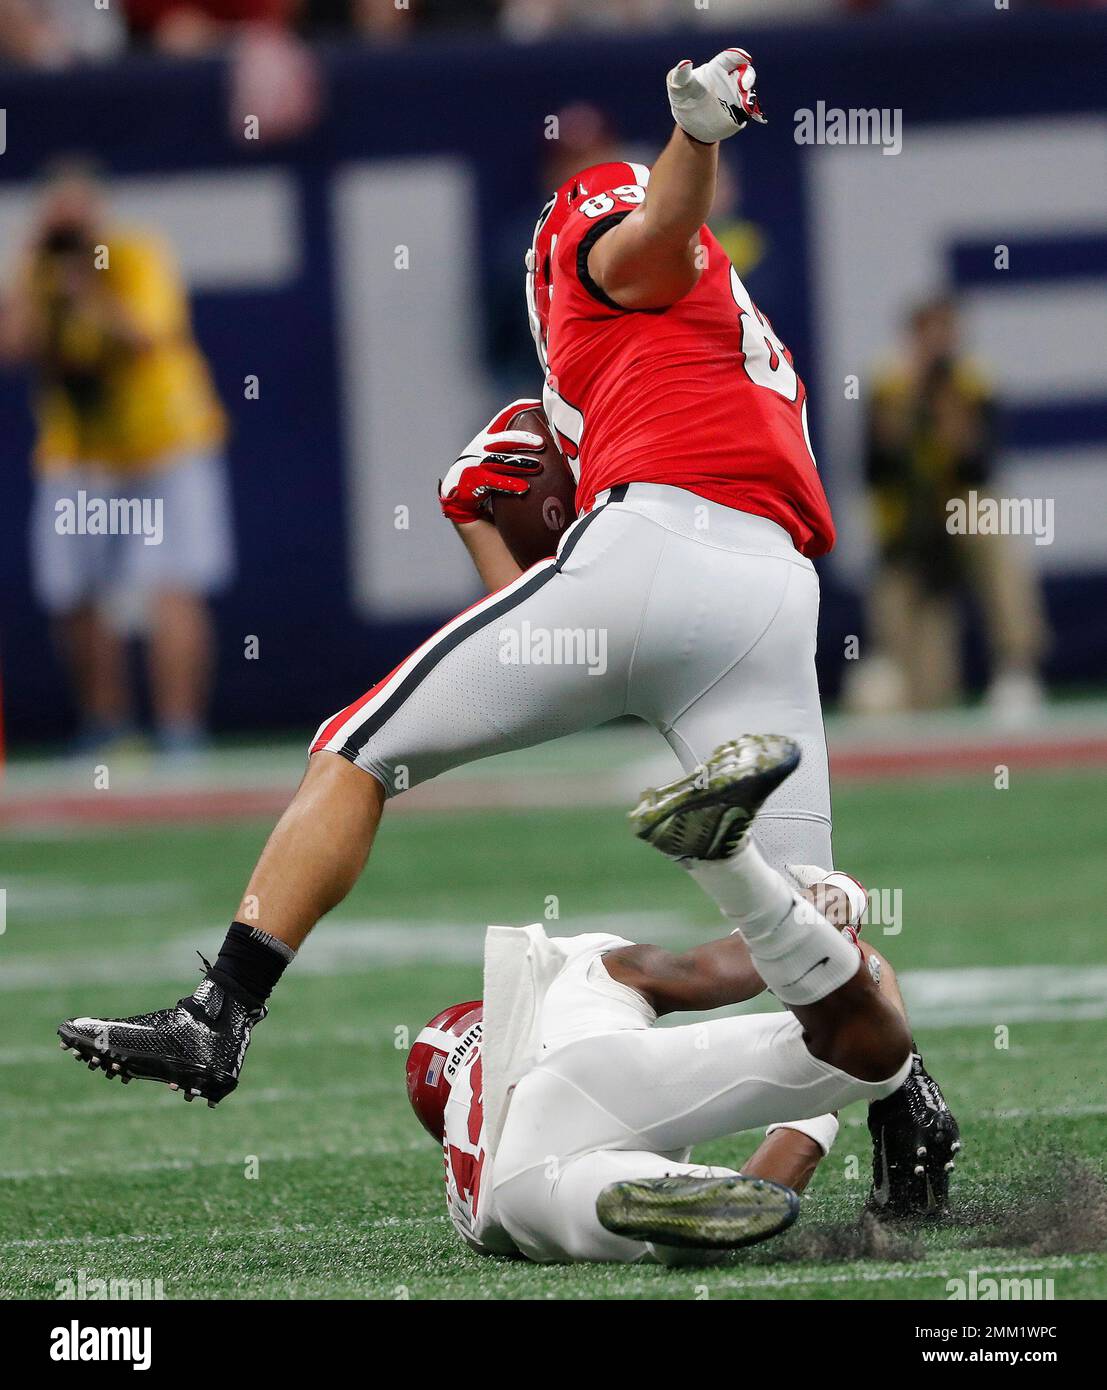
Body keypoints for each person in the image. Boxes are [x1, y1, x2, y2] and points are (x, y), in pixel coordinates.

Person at [57, 50, 872, 1127]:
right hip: (772, 598)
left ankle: (222, 1012)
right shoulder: (718, 347)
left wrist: (695, 134)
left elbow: (656, 235)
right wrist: (485, 519)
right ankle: (905, 1101)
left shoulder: (595, 232)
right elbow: (549, 629)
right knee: (806, 943)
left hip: (654, 547)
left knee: (358, 747)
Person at [407, 737, 959, 1262]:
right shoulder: (555, 987)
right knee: (872, 1052)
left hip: (520, 1200)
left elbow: (762, 1198)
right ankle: (730, 867)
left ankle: (682, 1206)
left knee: (712, 1216)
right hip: (585, 1078)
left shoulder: (465, 1182)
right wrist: (839, 901)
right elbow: (710, 971)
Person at [0, 162, 234, 756]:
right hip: (81, 455)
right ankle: (106, 728)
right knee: (75, 593)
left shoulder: (135, 256)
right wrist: (34, 269)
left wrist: (88, 284)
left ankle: (180, 732)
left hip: (166, 445)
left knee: (171, 586)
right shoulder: (37, 273)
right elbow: (13, 347)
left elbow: (144, 339)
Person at [849, 297, 1048, 721]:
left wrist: (950, 417)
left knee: (990, 517)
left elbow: (980, 469)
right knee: (926, 694)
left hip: (961, 520)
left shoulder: (973, 385)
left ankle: (1017, 665)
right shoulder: (889, 387)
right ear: (911, 339)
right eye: (927, 335)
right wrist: (904, 414)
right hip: (911, 534)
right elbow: (872, 471)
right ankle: (891, 666)